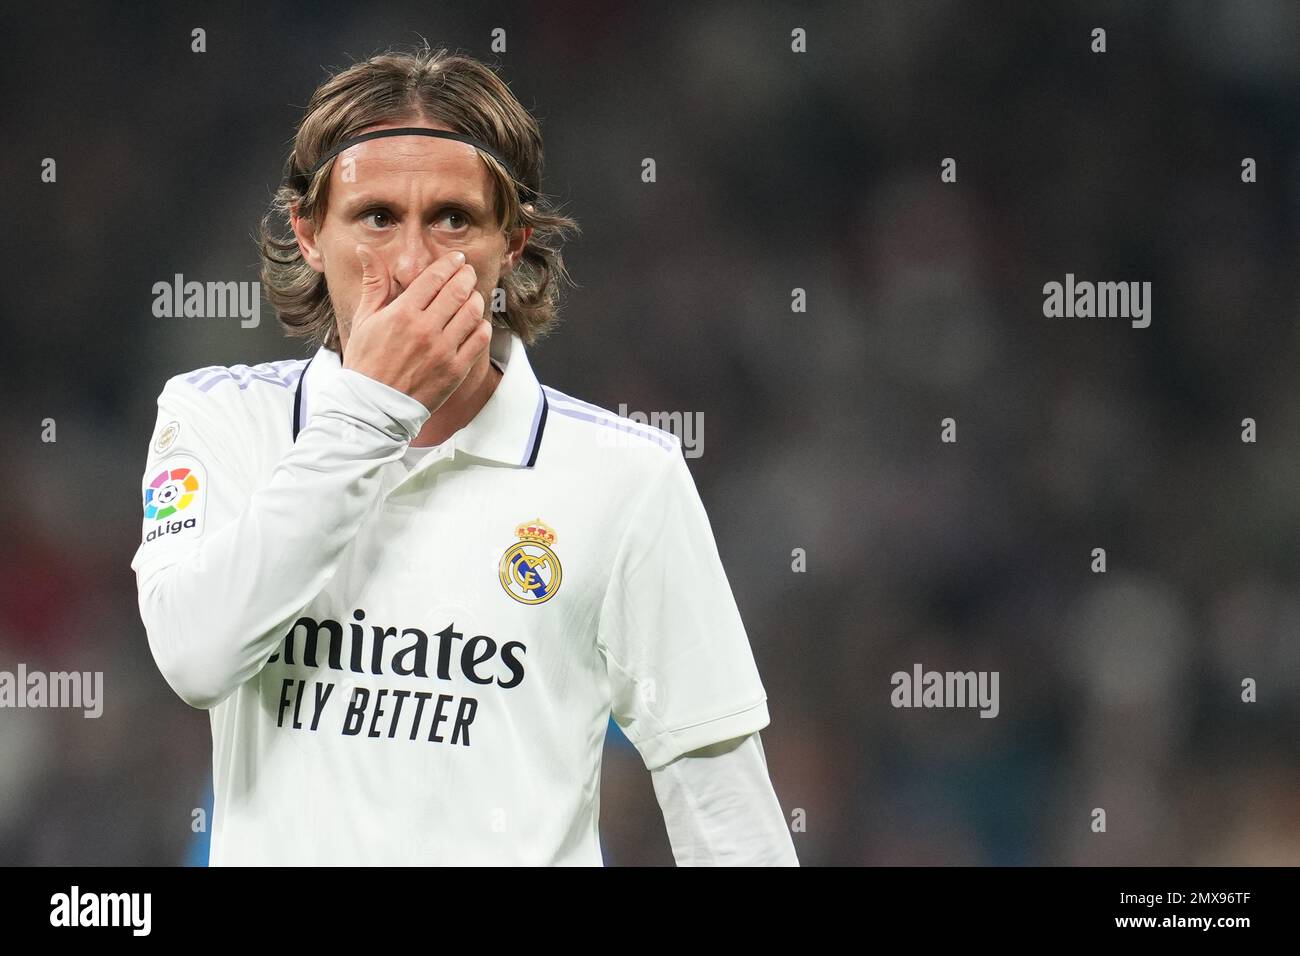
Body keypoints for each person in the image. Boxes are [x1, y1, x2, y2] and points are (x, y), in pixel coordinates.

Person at [130, 44, 797, 866]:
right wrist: (371, 410)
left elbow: (726, 817)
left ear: (511, 244)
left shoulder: (629, 477)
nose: (413, 262)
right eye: (376, 216)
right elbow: (198, 657)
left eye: (453, 218)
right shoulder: (220, 420)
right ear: (307, 233)